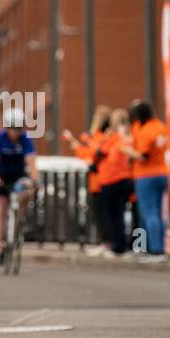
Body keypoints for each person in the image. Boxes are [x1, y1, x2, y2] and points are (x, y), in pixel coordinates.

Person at [120, 100, 170, 262]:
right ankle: (154, 248)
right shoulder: (160, 126)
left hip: (146, 175)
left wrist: (127, 150)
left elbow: (143, 156)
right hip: (162, 173)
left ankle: (155, 250)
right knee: (156, 212)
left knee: (148, 213)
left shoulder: (145, 131)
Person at [0, 107, 37, 266]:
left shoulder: (26, 139)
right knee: (0, 209)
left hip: (18, 176)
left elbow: (31, 161)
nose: (15, 132)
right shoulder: (0, 138)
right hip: (2, 176)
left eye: (18, 129)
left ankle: (20, 218)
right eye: (12, 128)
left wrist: (34, 179)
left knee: (26, 193)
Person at [63, 105, 110, 253]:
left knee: (102, 214)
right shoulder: (105, 137)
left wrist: (76, 146)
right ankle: (106, 242)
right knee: (104, 214)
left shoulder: (97, 137)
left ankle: (106, 243)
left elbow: (90, 155)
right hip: (104, 181)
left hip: (100, 181)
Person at [94, 108, 135, 257]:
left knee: (115, 215)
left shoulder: (114, 136)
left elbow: (100, 152)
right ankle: (133, 246)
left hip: (113, 179)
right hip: (127, 178)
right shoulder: (130, 134)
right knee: (128, 215)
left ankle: (118, 246)